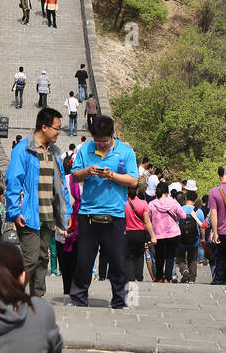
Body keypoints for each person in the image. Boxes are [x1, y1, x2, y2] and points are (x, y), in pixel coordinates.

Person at [67, 117, 137, 308]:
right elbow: (74, 175)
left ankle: (120, 301)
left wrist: (111, 175)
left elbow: (133, 181)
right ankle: (78, 299)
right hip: (88, 213)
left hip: (115, 215)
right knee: (83, 260)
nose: (101, 144)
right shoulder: (86, 149)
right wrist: (88, 171)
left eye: (105, 141)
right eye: (97, 140)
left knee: (117, 261)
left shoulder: (125, 151)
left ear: (113, 135)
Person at [5, 108, 70, 299]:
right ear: (44, 127)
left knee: (43, 258)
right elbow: (13, 180)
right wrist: (15, 211)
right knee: (30, 258)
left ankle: (37, 297)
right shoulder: (23, 149)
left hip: (48, 214)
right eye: (56, 128)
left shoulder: (55, 153)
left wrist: (64, 214)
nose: (59, 132)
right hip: (28, 214)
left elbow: (61, 186)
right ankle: (10, 295)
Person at [149, 181, 186, 283]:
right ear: (167, 191)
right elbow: (183, 215)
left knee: (159, 256)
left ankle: (159, 277)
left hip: (158, 234)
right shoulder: (174, 202)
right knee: (170, 256)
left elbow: (148, 219)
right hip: (173, 233)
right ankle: (167, 278)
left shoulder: (152, 204)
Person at [55, 167, 82, 295]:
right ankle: (68, 291)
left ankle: (77, 291)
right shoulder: (64, 181)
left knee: (79, 264)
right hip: (63, 229)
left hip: (82, 231)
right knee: (65, 264)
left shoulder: (91, 182)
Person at [125, 179, 156, 282]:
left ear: (127, 191)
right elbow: (147, 222)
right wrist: (152, 236)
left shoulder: (124, 202)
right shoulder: (143, 203)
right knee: (139, 255)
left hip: (128, 232)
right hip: (140, 233)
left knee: (129, 255)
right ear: (137, 191)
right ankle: (139, 276)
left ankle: (130, 276)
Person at [175, 185, 204, 283]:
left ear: (186, 198)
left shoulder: (180, 209)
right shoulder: (199, 211)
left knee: (179, 258)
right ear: (195, 200)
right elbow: (202, 227)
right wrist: (203, 238)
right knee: (193, 259)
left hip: (181, 239)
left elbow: (176, 223)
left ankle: (184, 270)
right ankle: (192, 279)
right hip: (194, 240)